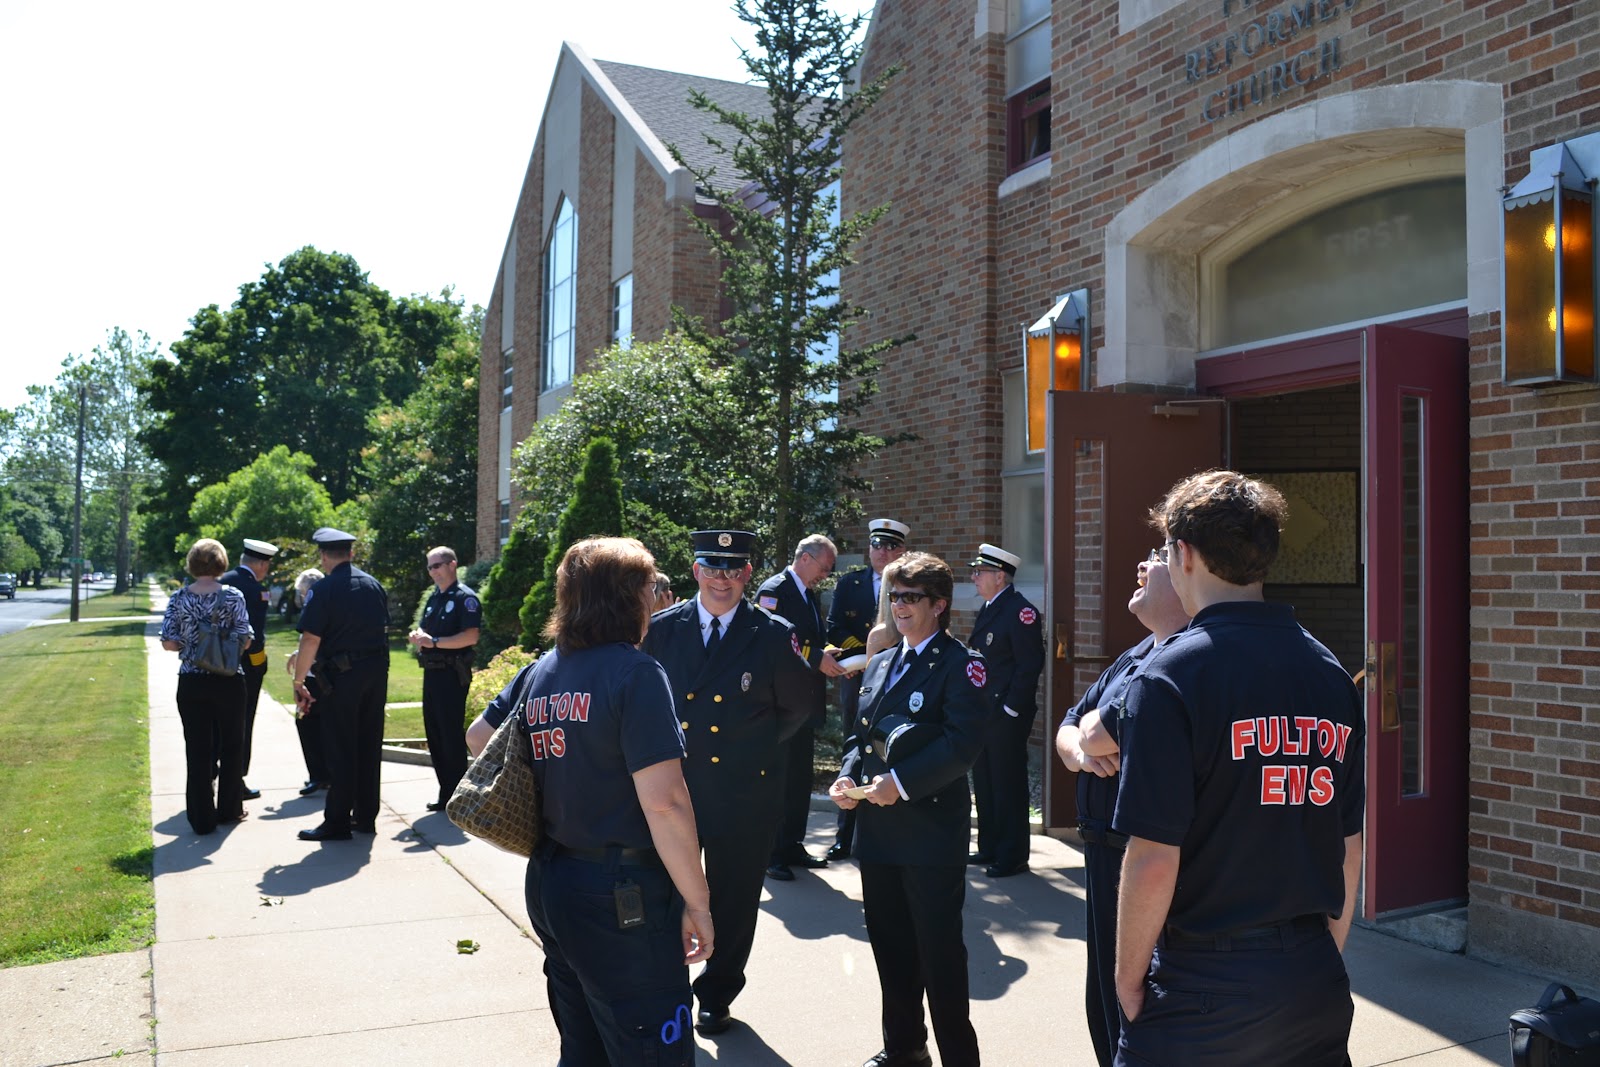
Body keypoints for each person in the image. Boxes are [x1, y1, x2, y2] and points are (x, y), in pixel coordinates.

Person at [1112, 470, 1365, 1066]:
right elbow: (1350, 846)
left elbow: (1153, 857)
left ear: (1185, 554)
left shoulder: (1171, 676)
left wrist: (1126, 980)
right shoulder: (1328, 671)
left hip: (1204, 981)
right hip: (1311, 976)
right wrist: (1322, 951)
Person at [476, 536, 713, 1065]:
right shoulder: (635, 672)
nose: (655, 601)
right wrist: (698, 904)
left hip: (554, 881)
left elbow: (477, 738)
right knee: (654, 1052)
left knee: (583, 1050)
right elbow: (666, 804)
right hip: (621, 897)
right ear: (626, 596)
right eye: (651, 588)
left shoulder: (543, 670)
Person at [640, 529, 813, 1037]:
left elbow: (797, 708)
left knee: (734, 901)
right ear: (695, 571)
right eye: (712, 568)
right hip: (676, 790)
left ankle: (716, 994)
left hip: (744, 792)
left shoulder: (773, 633)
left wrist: (749, 748)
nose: (722, 579)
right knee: (668, 891)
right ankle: (667, 987)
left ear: (747, 575)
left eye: (733, 569)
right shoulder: (661, 630)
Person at [829, 552, 987, 1067]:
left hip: (929, 833)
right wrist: (848, 773)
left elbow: (962, 745)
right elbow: (860, 735)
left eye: (910, 597)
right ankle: (904, 1049)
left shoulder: (962, 665)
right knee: (891, 947)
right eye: (894, 596)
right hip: (878, 831)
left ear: (938, 605)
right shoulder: (879, 662)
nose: (898, 605)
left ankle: (958, 1057)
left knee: (938, 954)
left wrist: (900, 782)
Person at [1054, 547, 1191, 1067]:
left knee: (1137, 1003)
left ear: (1184, 575)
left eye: (1157, 556)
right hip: (1100, 854)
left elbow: (1099, 729)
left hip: (1139, 854)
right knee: (1104, 1003)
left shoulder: (1179, 658)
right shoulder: (1134, 654)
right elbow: (1074, 723)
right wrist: (1081, 755)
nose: (1141, 564)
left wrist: (1088, 739)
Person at [291, 527, 391, 842]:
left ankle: (336, 821)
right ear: (351, 553)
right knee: (368, 745)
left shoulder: (325, 589)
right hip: (376, 675)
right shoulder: (373, 585)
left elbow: (310, 639)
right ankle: (364, 817)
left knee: (340, 748)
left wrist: (298, 680)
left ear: (323, 556)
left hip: (342, 677)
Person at [757, 533, 846, 880]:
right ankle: (772, 853)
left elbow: (806, 639)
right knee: (779, 780)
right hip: (781, 705)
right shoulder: (774, 590)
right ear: (805, 558)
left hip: (803, 703)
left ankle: (792, 843)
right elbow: (768, 640)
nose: (826, 574)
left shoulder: (806, 593)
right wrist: (815, 657)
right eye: (824, 567)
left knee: (799, 780)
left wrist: (828, 654)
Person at [824, 517, 909, 860]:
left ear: (902, 550)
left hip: (903, 684)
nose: (882, 552)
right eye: (877, 545)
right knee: (855, 753)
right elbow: (835, 626)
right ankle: (845, 836)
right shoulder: (851, 583)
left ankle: (886, 836)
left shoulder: (912, 587)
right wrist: (861, 658)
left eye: (890, 546)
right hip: (858, 679)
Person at [159, 538, 254, 835]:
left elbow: (169, 642)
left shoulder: (178, 598)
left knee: (197, 750)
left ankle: (201, 817)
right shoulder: (234, 596)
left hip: (192, 680)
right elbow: (246, 638)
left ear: (192, 563)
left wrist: (193, 643)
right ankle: (230, 809)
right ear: (221, 562)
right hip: (228, 680)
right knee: (232, 745)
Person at [965, 543, 1045, 879]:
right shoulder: (989, 608)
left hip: (1006, 714)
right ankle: (990, 845)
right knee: (984, 780)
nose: (974, 577)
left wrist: (1012, 708)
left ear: (1000, 576)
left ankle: (1011, 855)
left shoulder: (1020, 611)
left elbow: (1029, 665)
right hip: (985, 711)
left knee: (1007, 783)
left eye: (980, 572)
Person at [407, 546, 480, 812]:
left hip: (452, 674)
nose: (433, 572)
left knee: (449, 735)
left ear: (452, 564)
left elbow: (471, 636)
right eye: (429, 567)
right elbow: (428, 632)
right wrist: (420, 637)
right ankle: (446, 793)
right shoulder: (434, 599)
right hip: (432, 673)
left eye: (437, 565)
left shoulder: (465, 598)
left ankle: (459, 797)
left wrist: (434, 642)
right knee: (435, 734)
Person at [219, 537, 278, 801]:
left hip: (215, 662)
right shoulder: (255, 590)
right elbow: (255, 635)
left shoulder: (220, 581)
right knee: (244, 722)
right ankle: (236, 779)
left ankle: (213, 773)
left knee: (217, 722)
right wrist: (259, 664)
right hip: (244, 667)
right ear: (262, 564)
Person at [284, 567, 329, 796]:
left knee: (311, 725)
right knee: (309, 725)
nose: (302, 597)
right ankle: (320, 774)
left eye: (303, 592)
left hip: (317, 679)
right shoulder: (317, 608)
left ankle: (320, 775)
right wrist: (297, 652)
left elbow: (317, 642)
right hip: (313, 677)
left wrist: (297, 681)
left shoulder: (319, 607)